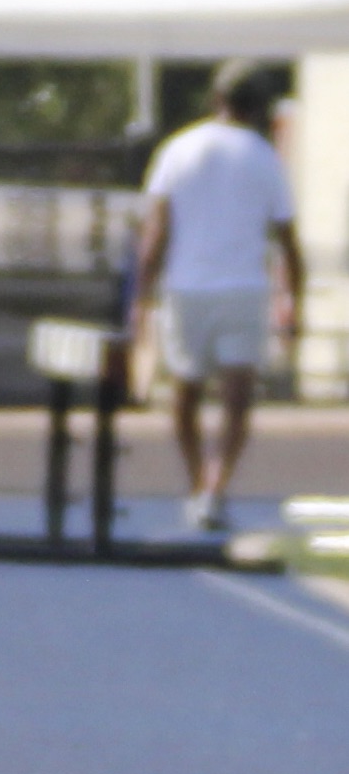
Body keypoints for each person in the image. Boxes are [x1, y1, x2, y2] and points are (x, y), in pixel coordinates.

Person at [133, 59, 303, 531]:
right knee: (236, 398)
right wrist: (295, 304)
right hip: (244, 290)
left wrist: (141, 296)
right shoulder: (265, 156)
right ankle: (214, 487)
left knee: (184, 393)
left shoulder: (178, 149)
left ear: (217, 99)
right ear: (259, 108)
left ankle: (197, 485)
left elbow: (156, 231)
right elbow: (288, 240)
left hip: (186, 288)